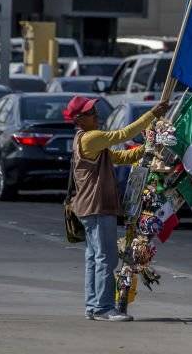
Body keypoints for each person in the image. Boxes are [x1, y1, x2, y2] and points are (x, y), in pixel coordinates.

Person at [64, 95, 169, 322]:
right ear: (80, 119)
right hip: (97, 206)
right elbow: (122, 135)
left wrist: (148, 148)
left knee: (94, 258)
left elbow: (121, 156)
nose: (97, 115)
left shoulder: (88, 140)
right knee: (106, 259)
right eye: (92, 113)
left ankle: (93, 306)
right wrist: (153, 114)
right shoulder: (91, 138)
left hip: (89, 207)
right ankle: (103, 308)